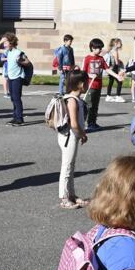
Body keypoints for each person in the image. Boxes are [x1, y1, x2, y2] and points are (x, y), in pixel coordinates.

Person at [56, 69, 90, 209]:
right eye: (86, 82)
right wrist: (83, 134)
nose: (88, 85)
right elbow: (74, 124)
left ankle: (71, 195)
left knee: (70, 166)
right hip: (69, 137)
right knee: (67, 166)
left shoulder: (75, 99)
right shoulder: (72, 100)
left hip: (71, 136)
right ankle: (64, 198)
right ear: (81, 84)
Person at [82, 38, 118, 132]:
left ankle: (93, 122)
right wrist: (90, 75)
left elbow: (107, 69)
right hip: (90, 86)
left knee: (95, 105)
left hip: (98, 85)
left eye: (101, 48)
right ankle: (85, 123)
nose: (100, 50)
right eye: (99, 48)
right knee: (88, 105)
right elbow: (83, 72)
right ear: (92, 48)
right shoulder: (87, 58)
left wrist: (117, 76)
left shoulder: (101, 59)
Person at [0, 33, 29, 127]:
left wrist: (20, 61)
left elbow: (27, 62)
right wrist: (2, 40)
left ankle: (20, 119)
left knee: (17, 98)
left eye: (5, 42)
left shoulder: (19, 52)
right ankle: (15, 117)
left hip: (18, 78)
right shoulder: (7, 52)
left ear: (11, 42)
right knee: (13, 98)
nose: (4, 44)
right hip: (11, 77)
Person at [104, 38, 126, 103]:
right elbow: (116, 62)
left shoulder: (111, 50)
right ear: (116, 43)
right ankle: (118, 96)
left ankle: (108, 96)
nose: (121, 44)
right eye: (120, 43)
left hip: (111, 68)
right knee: (120, 81)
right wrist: (120, 68)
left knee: (111, 82)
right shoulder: (115, 51)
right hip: (114, 68)